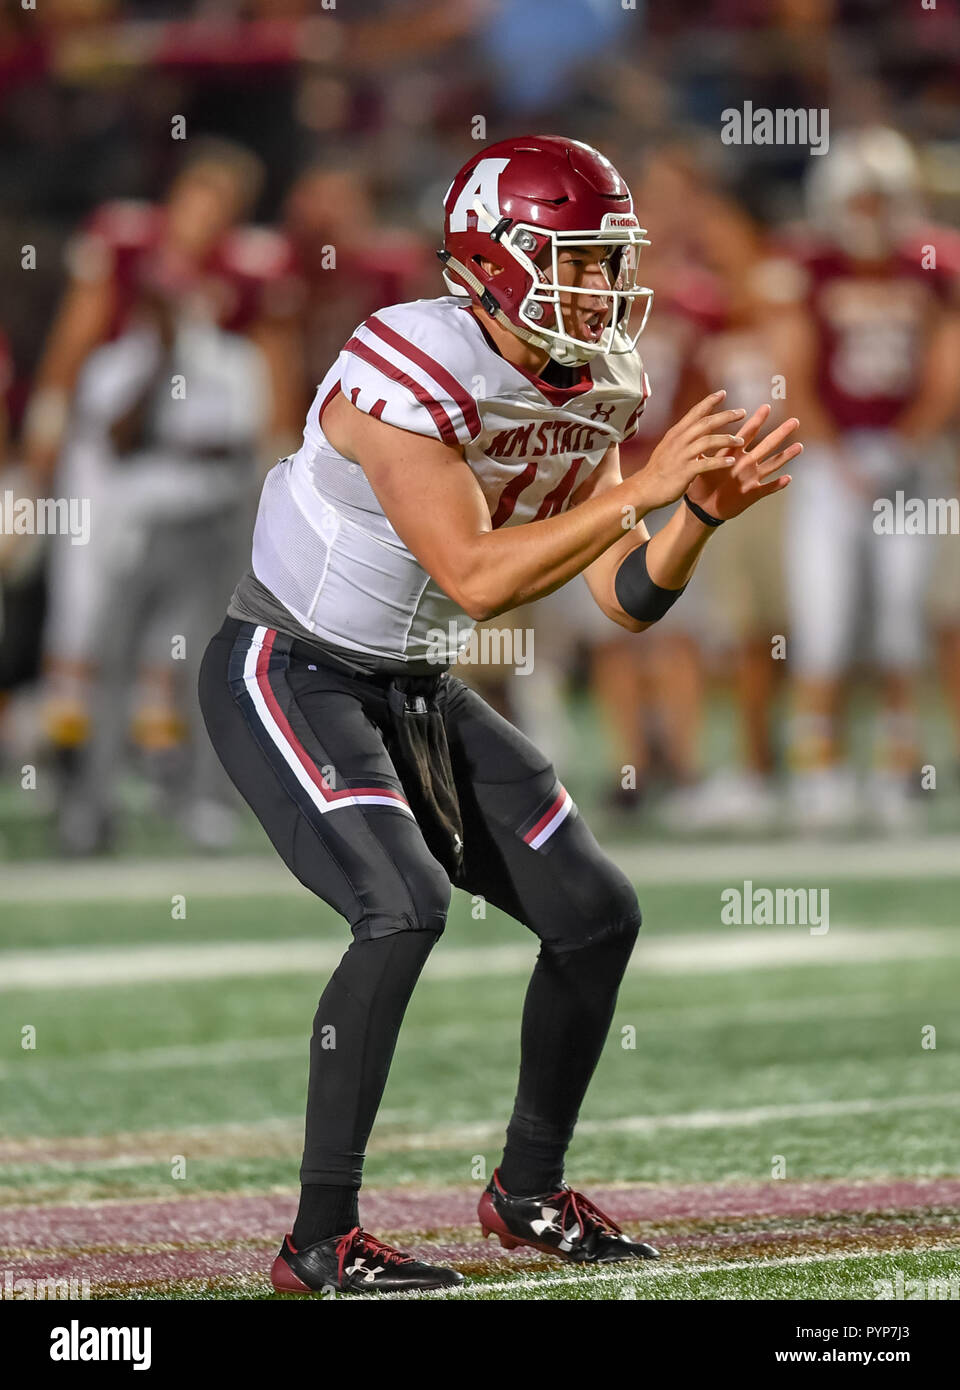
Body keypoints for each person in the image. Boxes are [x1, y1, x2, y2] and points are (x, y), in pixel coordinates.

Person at [199, 135, 801, 1294]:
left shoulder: (600, 379)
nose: (602, 287)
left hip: (417, 684)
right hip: (294, 666)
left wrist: (696, 519)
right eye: (575, 261)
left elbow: (617, 598)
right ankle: (320, 1238)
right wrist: (639, 489)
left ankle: (526, 1192)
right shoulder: (409, 356)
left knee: (595, 911)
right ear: (493, 261)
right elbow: (475, 574)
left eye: (607, 260)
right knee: (401, 907)